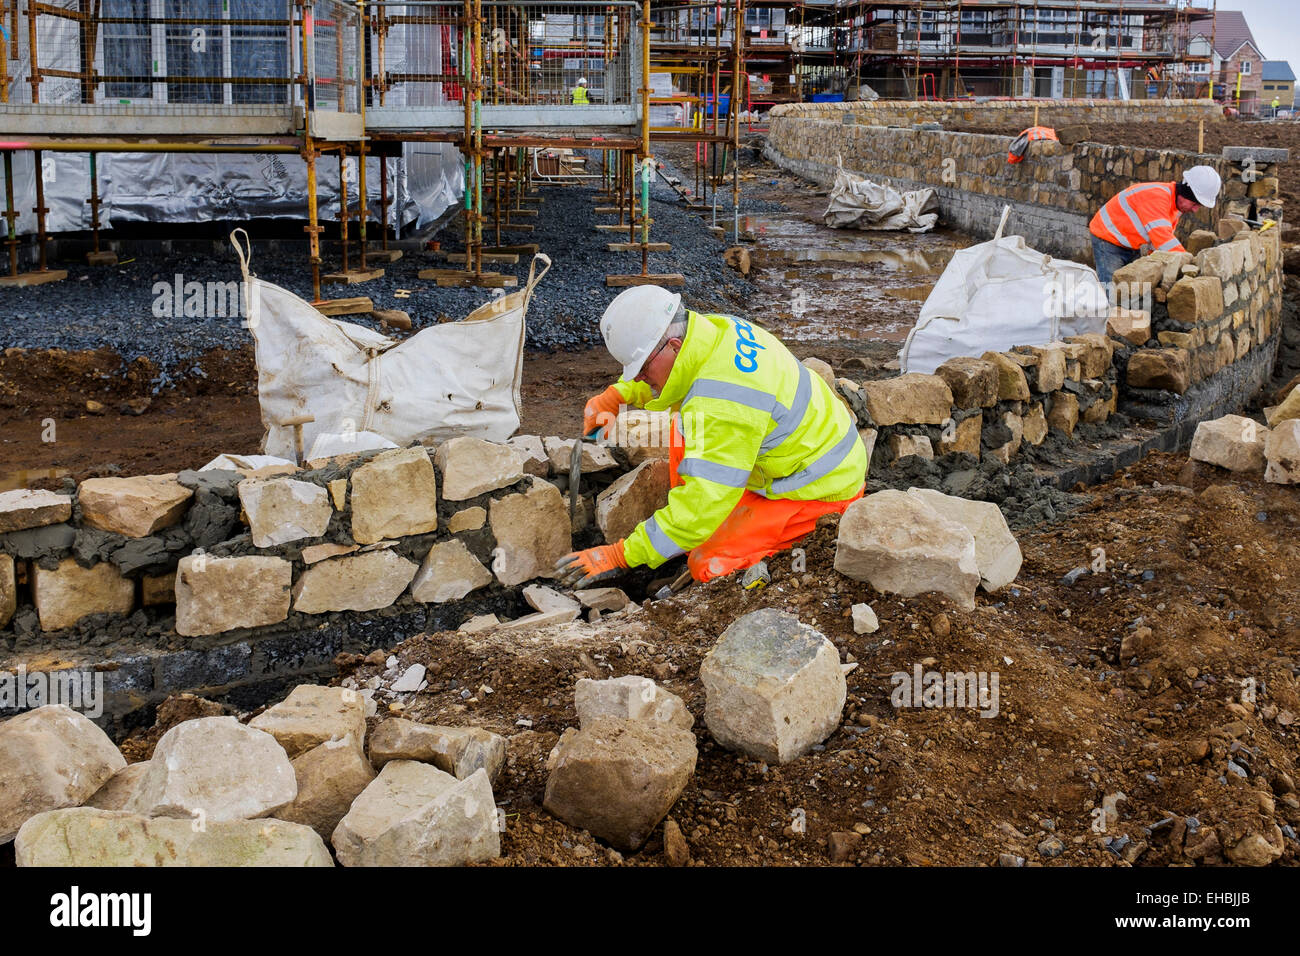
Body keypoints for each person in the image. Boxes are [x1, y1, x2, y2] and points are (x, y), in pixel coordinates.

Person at [556, 287, 868, 588]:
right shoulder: (714, 330)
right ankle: (687, 527)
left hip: (818, 486)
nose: (639, 378)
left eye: (641, 370)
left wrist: (621, 556)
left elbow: (705, 502)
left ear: (674, 345)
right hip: (799, 447)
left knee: (707, 560)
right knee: (685, 431)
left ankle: (747, 546)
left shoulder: (724, 403)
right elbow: (677, 376)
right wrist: (618, 394)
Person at [1088, 165, 1222, 284]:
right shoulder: (1157, 198)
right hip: (1107, 238)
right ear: (1185, 193)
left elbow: (1157, 242)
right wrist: (1190, 264)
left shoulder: (1175, 206)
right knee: (1114, 291)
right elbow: (1164, 241)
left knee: (1132, 288)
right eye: (1195, 204)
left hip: (1128, 242)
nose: (1195, 210)